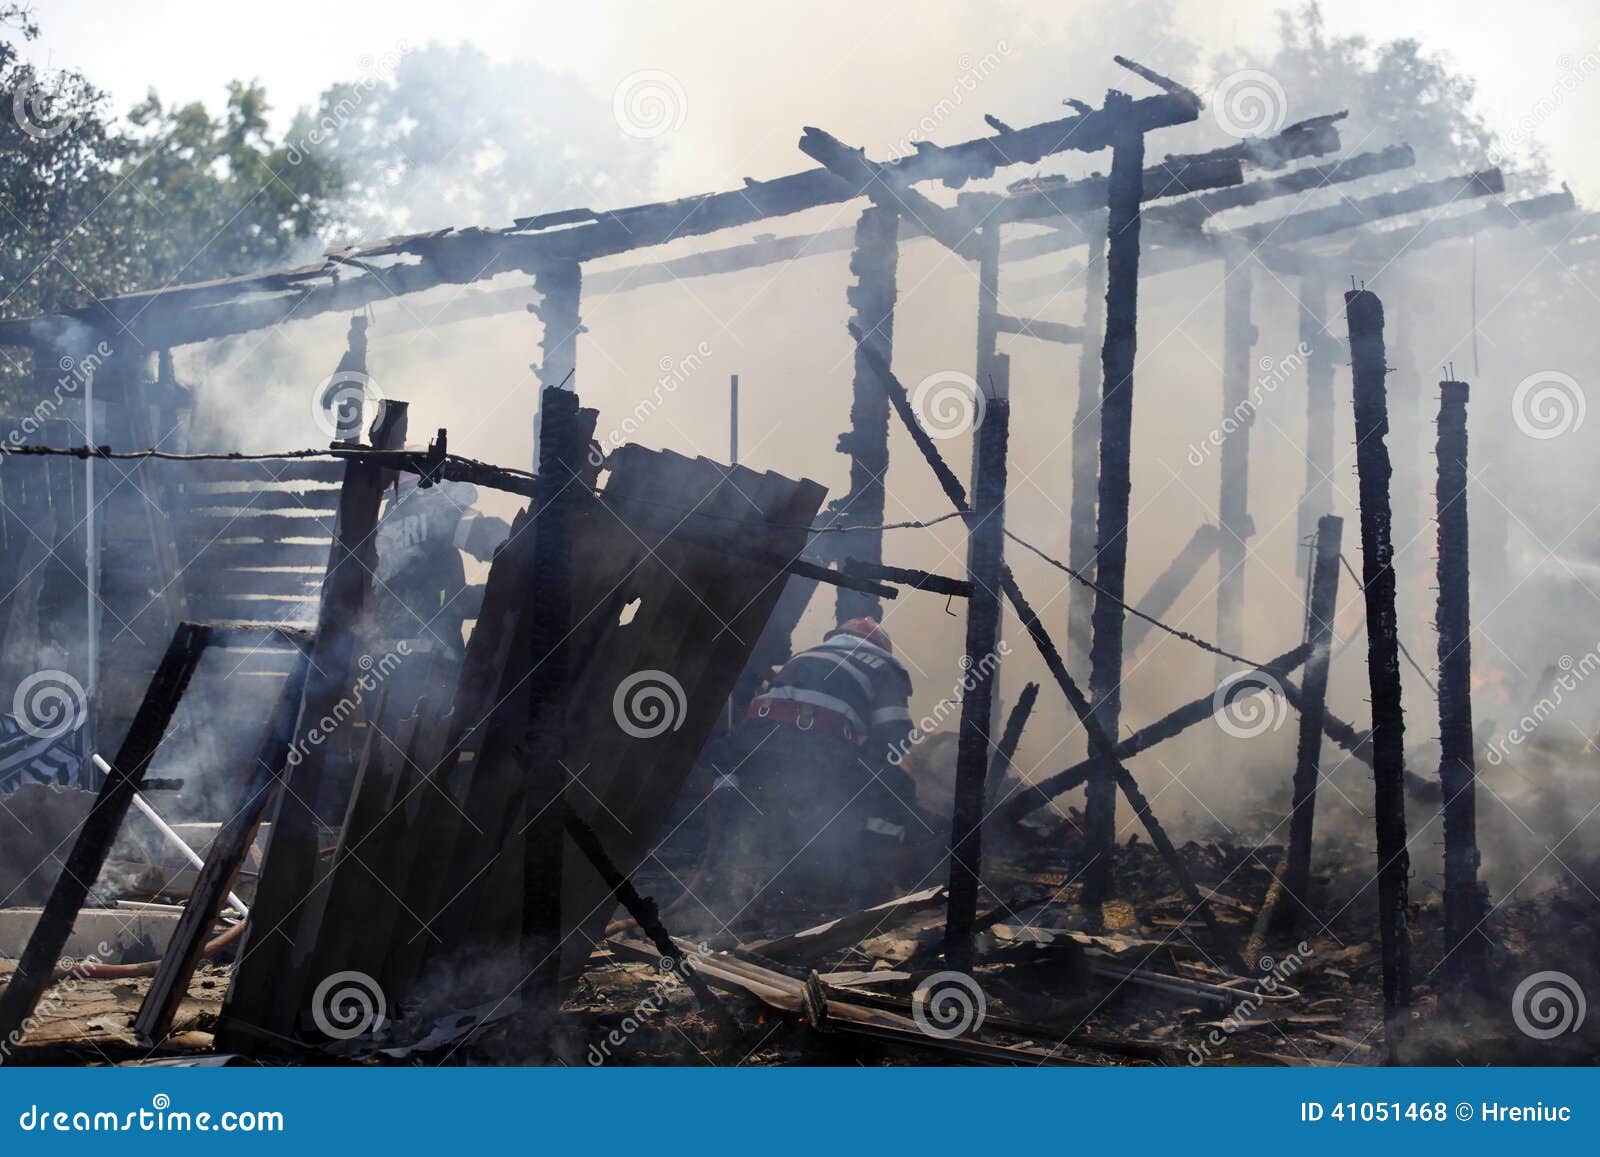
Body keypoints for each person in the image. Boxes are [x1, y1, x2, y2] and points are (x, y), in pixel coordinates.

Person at [711, 616, 920, 918]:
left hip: (754, 740)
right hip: (816, 744)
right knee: (897, 790)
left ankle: (728, 871)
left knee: (739, 780)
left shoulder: (805, 654)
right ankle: (872, 892)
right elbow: (895, 735)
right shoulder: (885, 664)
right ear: (881, 645)